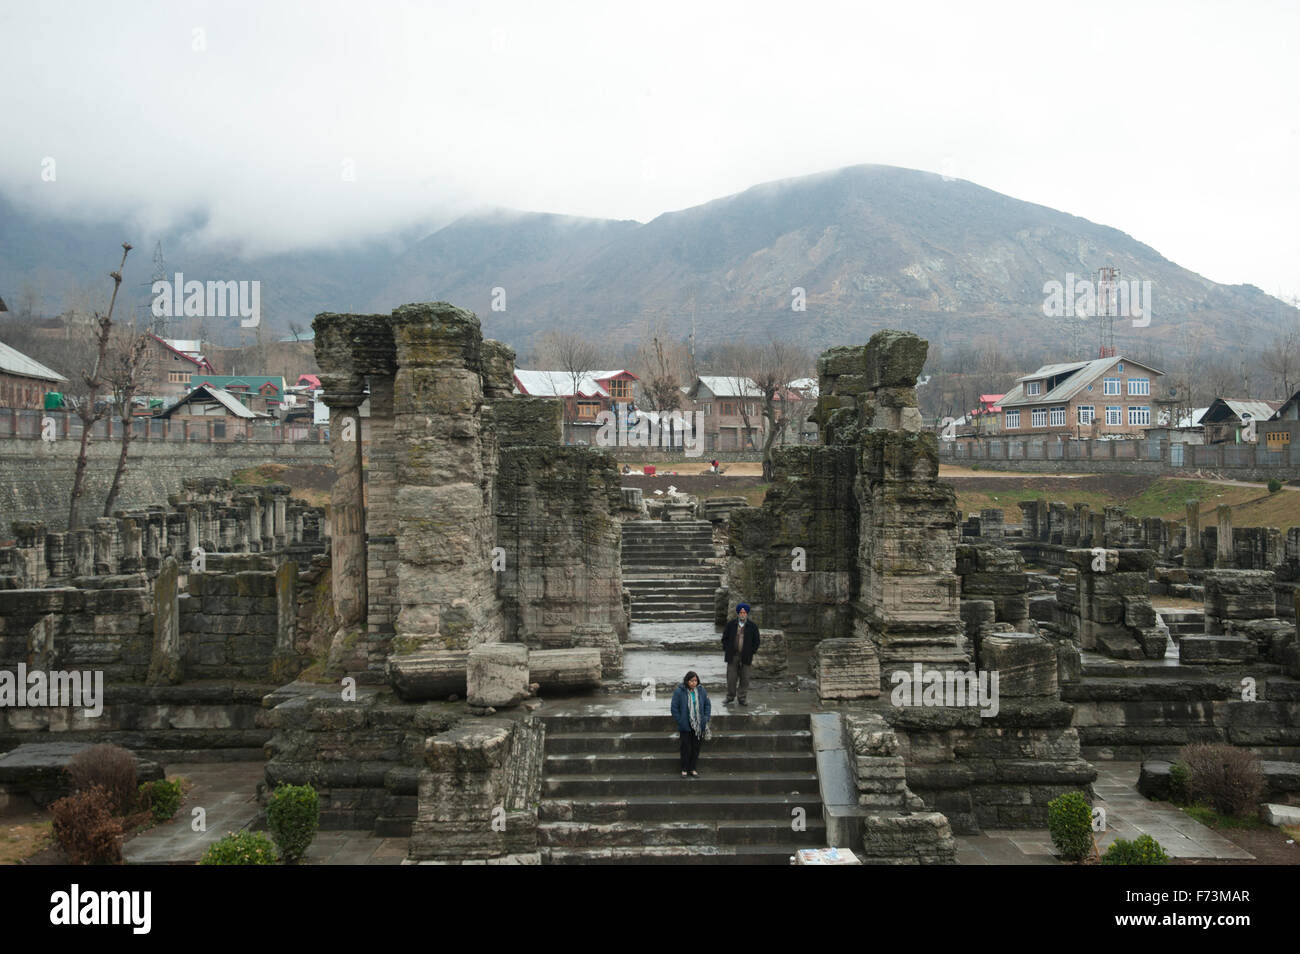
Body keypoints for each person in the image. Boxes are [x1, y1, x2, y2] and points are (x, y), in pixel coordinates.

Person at [670, 670, 711, 777]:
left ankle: (692, 768)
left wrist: (705, 718)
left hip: (698, 725)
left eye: (695, 680)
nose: (694, 683)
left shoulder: (701, 691)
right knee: (686, 748)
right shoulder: (680, 691)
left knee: (696, 748)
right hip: (685, 725)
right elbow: (674, 708)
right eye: (691, 681)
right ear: (687, 681)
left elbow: (707, 705)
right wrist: (680, 720)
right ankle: (684, 768)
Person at [721, 603, 760, 705]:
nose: (742, 614)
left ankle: (742, 698)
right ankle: (730, 696)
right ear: (738, 613)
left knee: (745, 678)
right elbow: (724, 638)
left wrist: (752, 651)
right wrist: (727, 649)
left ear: (747, 614)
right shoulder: (731, 624)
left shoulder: (752, 626)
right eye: (741, 612)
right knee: (731, 677)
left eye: (744, 613)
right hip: (733, 655)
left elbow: (756, 641)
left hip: (746, 656)